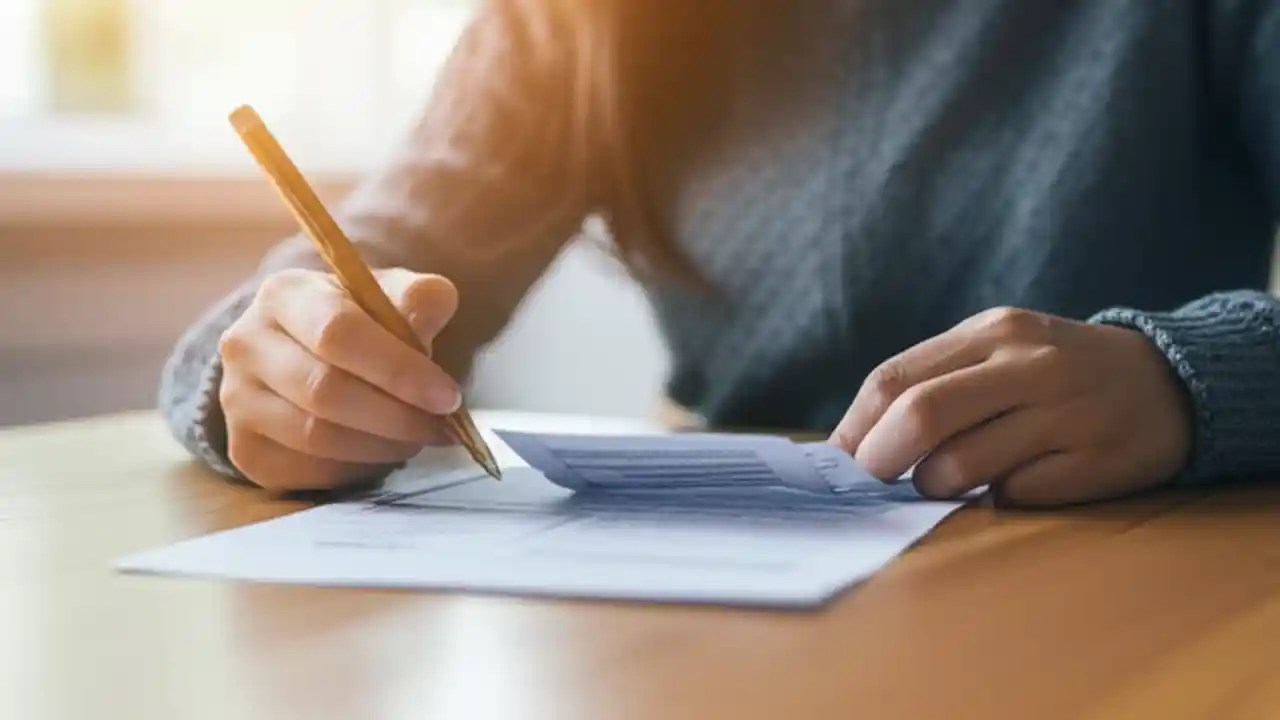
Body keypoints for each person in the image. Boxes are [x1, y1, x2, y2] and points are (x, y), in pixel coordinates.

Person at [161, 1, 1279, 505]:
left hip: (1121, 579)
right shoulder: (580, 18)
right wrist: (268, 366)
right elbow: (383, 246)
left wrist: (1186, 382)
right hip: (713, 612)